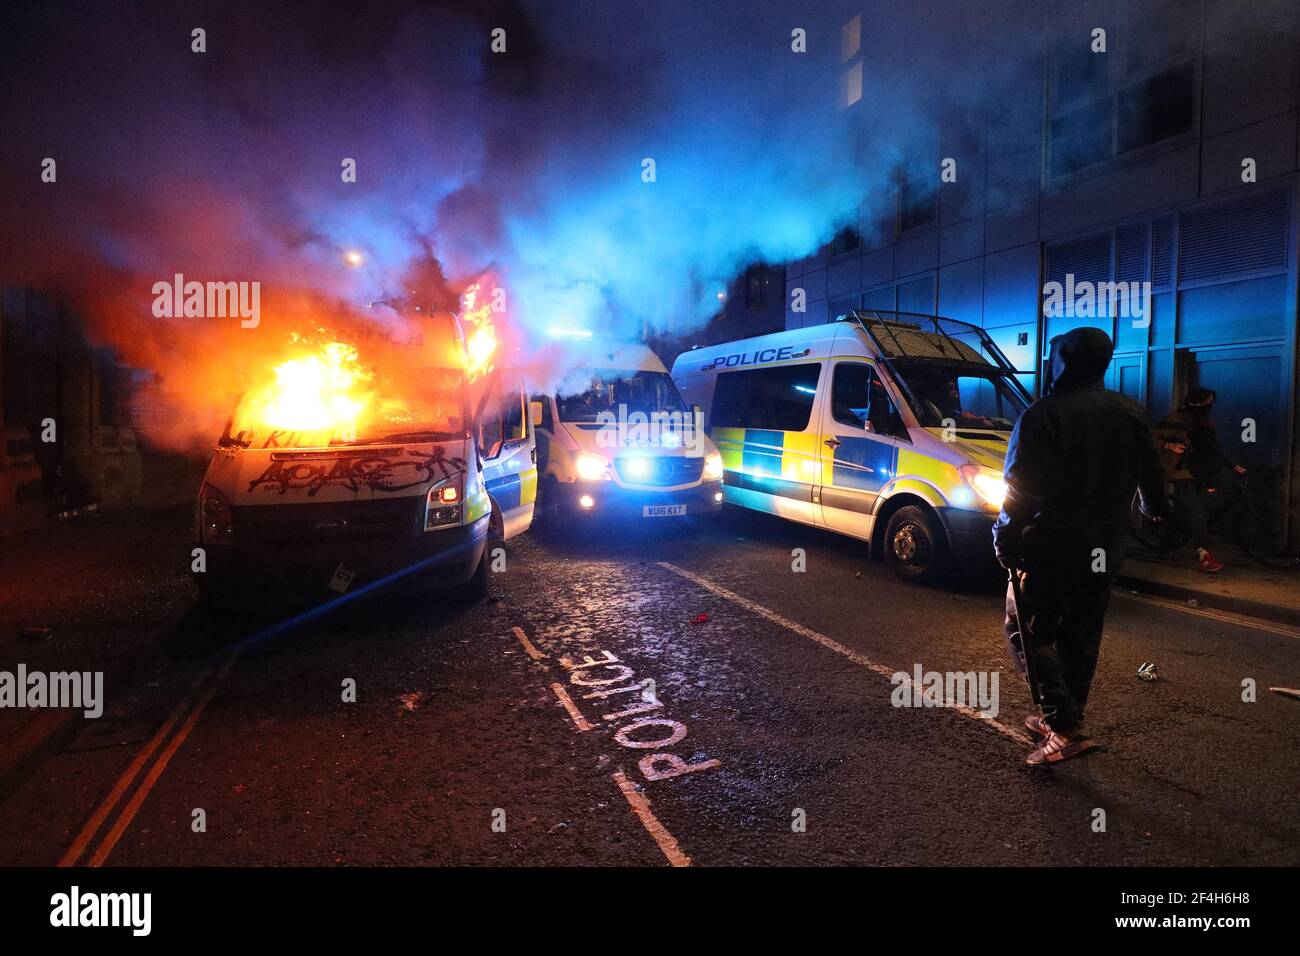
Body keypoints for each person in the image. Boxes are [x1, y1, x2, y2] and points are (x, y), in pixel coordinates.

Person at [993, 327, 1169, 766]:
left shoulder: (1042, 415)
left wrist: (1004, 536)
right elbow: (1152, 476)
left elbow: (1020, 490)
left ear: (1062, 360)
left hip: (1048, 545)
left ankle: (1062, 726)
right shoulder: (1130, 412)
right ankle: (1064, 717)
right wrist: (1156, 508)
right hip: (1103, 547)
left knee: (1027, 630)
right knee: (1082, 632)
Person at [1153, 387, 1246, 573]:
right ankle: (1203, 553)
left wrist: (1234, 465)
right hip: (1181, 472)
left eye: (1210, 403)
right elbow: (1149, 437)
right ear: (1195, 402)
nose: (1208, 406)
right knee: (1197, 511)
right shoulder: (1175, 419)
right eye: (1206, 402)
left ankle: (1165, 546)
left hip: (1200, 472)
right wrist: (1168, 445)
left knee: (1182, 512)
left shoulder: (1206, 422)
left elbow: (1214, 449)